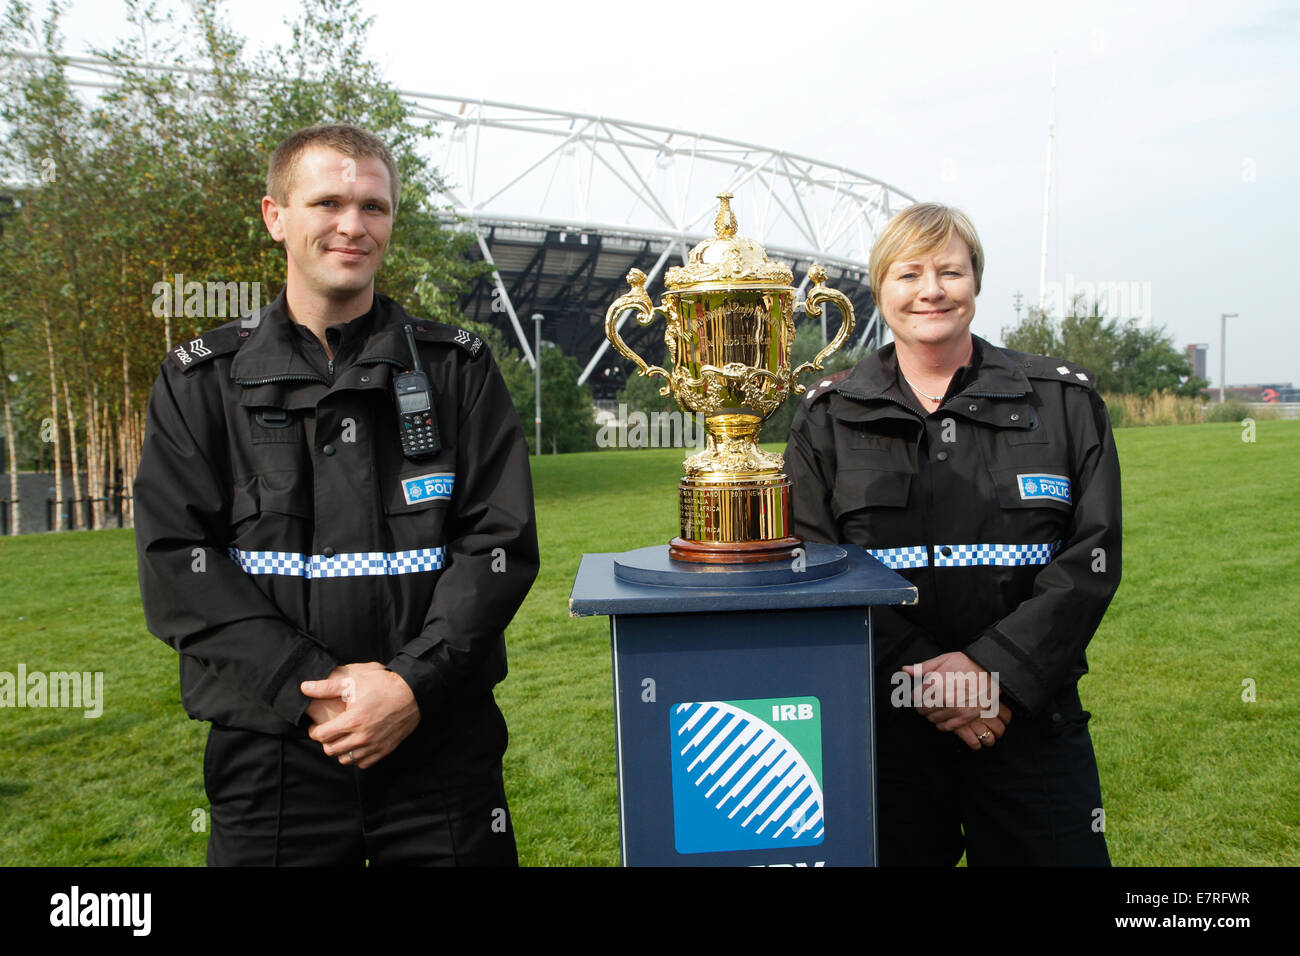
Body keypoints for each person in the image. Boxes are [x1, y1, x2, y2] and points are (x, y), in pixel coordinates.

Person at [134, 124, 538, 866]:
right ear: (274, 216)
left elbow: (499, 546)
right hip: (273, 759)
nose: (353, 226)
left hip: (440, 748)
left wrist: (410, 686)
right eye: (327, 202)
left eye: (373, 207)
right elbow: (176, 561)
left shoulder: (457, 370)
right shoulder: (200, 382)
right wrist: (308, 691)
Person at [785, 202, 1120, 866]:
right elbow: (813, 566)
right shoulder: (828, 418)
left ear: (976, 282)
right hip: (884, 736)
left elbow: (1090, 560)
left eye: (950, 271)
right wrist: (934, 685)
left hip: (1027, 724)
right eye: (908, 274)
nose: (931, 290)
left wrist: (990, 673)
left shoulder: (1062, 404)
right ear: (880, 290)